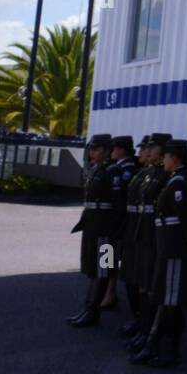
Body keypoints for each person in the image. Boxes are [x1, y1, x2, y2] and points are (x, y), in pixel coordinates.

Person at [131, 138, 187, 368]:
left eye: (166, 156)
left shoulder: (179, 182)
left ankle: (167, 349)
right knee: (163, 296)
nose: (163, 160)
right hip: (163, 244)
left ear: (175, 158)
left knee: (170, 299)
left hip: (173, 247)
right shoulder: (171, 179)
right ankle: (152, 341)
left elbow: (185, 219)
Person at [122, 133, 170, 349]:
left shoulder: (162, 176)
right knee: (128, 274)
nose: (144, 152)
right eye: (144, 148)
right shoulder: (143, 173)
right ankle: (139, 322)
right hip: (129, 230)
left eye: (150, 148)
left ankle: (104, 298)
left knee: (141, 280)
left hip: (146, 233)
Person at [68, 133, 113, 327]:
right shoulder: (97, 169)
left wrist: (114, 231)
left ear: (104, 150)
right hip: (94, 226)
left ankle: (93, 310)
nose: (91, 153)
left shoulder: (113, 172)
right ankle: (88, 308)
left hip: (107, 231)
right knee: (93, 268)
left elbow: (118, 205)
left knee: (103, 269)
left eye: (95, 149)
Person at [101, 136, 139, 313]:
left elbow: (120, 195)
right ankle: (105, 291)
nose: (112, 151)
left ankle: (110, 292)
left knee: (112, 257)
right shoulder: (116, 167)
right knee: (106, 256)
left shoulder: (128, 169)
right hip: (110, 221)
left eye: (114, 148)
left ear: (122, 150)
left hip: (119, 220)